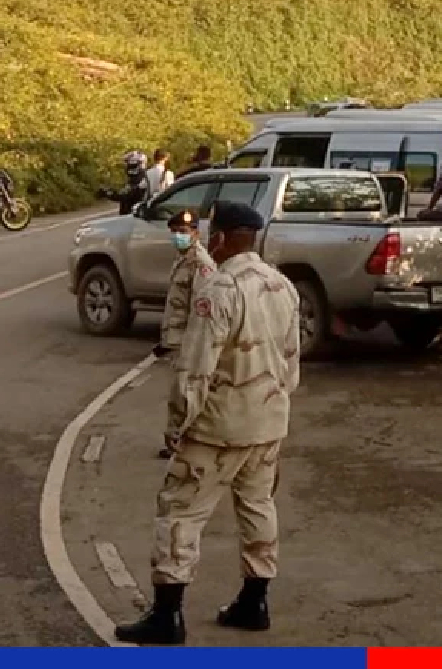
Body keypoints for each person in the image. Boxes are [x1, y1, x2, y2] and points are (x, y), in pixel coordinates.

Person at [115, 202, 301, 646]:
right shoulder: (282, 285)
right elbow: (291, 361)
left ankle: (167, 615)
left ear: (221, 237)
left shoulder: (219, 288)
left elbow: (195, 369)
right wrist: (274, 402)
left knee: (180, 512)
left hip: (218, 426)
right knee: (258, 508)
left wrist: (178, 423)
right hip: (268, 420)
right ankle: (254, 602)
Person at [153, 209, 216, 458]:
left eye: (184, 232)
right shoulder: (182, 259)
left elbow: (199, 309)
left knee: (185, 394)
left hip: (188, 342)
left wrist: (193, 344)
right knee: (178, 393)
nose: (178, 236)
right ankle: (177, 440)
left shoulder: (200, 264)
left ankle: (182, 442)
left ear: (196, 234)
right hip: (176, 339)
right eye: (175, 232)